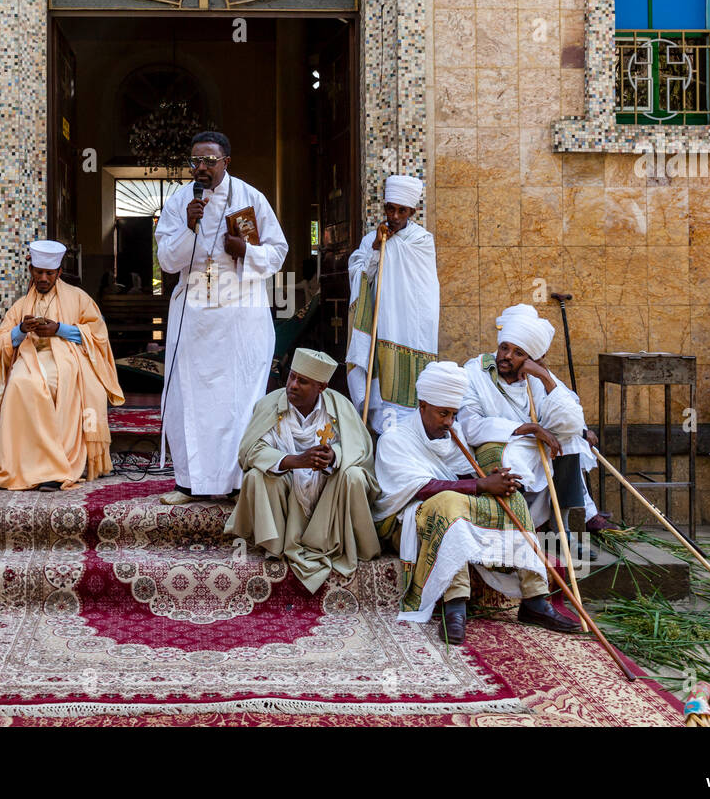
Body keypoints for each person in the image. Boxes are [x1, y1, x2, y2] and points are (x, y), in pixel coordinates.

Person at [374, 361, 579, 641]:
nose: (448, 422)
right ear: (422, 406)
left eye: (453, 414)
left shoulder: (451, 436)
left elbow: (467, 473)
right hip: (407, 522)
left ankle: (535, 600)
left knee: (513, 499)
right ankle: (454, 607)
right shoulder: (394, 438)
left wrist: (494, 480)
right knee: (448, 503)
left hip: (454, 507)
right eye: (442, 414)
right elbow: (422, 489)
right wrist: (481, 484)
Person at [155, 131, 289, 504]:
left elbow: (278, 252)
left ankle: (235, 482)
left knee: (237, 396)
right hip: (193, 313)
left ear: (226, 162)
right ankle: (189, 483)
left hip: (239, 313)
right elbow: (167, 261)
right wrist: (187, 227)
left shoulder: (250, 198)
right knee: (190, 397)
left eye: (209, 161)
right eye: (195, 161)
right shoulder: (181, 201)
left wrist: (245, 249)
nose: (200, 168)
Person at [227, 348, 381, 592]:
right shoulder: (269, 405)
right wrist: (294, 461)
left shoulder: (340, 407)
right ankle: (275, 545)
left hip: (329, 486)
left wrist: (334, 456)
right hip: (286, 481)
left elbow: (360, 450)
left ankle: (345, 543)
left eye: (303, 381)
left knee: (354, 476)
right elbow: (250, 451)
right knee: (257, 476)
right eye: (292, 377)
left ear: (321, 387)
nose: (293, 385)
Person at [0, 240, 124, 490]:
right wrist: (21, 330)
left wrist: (59, 329)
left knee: (55, 383)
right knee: (19, 384)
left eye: (49, 273)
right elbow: (0, 340)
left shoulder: (78, 298)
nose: (44, 278)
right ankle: (17, 466)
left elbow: (98, 334)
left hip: (69, 359)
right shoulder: (21, 305)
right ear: (31, 271)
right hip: (30, 357)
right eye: (39, 272)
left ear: (59, 273)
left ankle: (56, 466)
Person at [458, 307, 596, 559]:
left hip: (536, 444)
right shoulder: (475, 371)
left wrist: (544, 376)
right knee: (514, 457)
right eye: (504, 348)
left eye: (518, 353)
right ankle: (513, 532)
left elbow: (570, 417)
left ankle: (560, 531)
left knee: (571, 441)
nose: (506, 356)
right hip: (496, 442)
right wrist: (531, 429)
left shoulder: (535, 377)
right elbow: (471, 425)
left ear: (531, 359)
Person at [346, 174, 440, 434]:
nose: (395, 216)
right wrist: (376, 248)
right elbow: (359, 276)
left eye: (402, 211)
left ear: (412, 211)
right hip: (383, 323)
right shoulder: (370, 240)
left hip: (412, 326)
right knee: (381, 384)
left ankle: (411, 435)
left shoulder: (422, 240)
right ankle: (378, 432)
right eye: (391, 209)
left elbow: (425, 289)